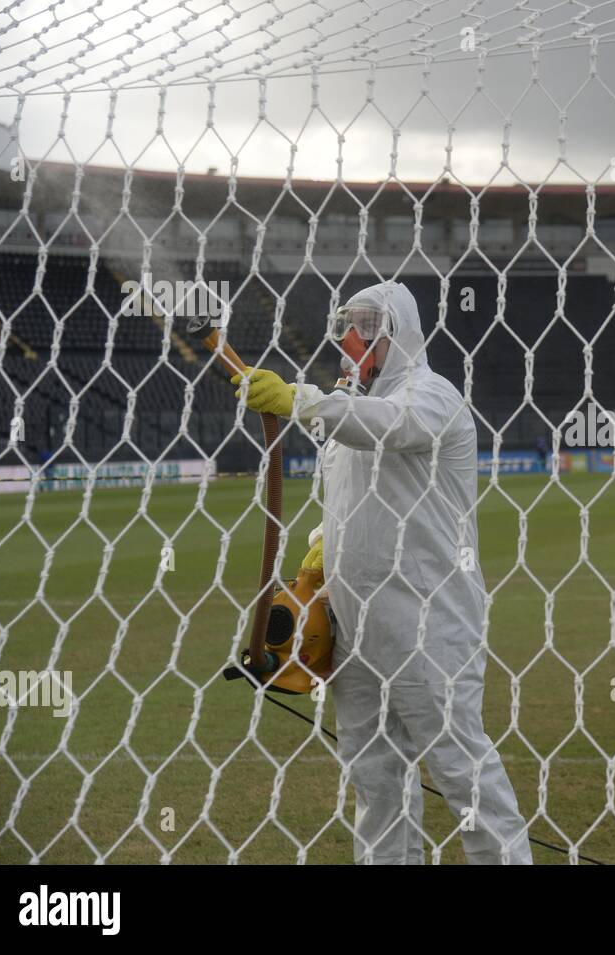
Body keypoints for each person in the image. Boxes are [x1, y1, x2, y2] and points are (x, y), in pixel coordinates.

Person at [231, 280, 532, 865]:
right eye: (350, 323)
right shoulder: (347, 405)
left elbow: (390, 426)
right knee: (374, 776)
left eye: (369, 324)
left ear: (400, 331)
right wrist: (320, 551)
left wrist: (303, 400)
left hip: (430, 619)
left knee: (459, 768)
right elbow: (347, 501)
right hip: (353, 622)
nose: (355, 336)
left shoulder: (432, 396)